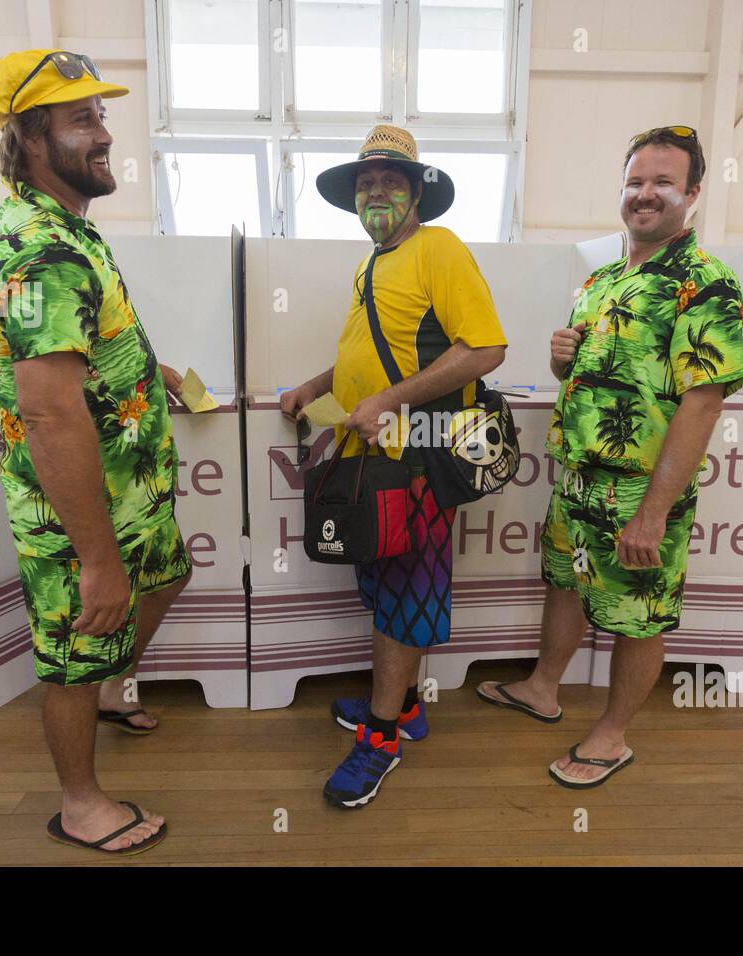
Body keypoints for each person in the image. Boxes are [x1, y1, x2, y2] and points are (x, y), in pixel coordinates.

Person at [477, 126, 743, 788]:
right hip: (578, 480)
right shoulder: (600, 280)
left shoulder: (705, 283)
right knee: (565, 585)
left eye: (662, 182)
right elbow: (587, 374)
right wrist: (557, 358)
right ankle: (544, 688)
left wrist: (654, 511)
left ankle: (612, 734)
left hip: (639, 489)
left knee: (639, 615)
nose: (645, 194)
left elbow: (703, 402)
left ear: (693, 193)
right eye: (634, 182)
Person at [0, 49, 193, 853]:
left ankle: (105, 686)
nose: (104, 134)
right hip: (81, 512)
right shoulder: (44, 249)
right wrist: (97, 559)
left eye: (101, 115)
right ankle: (79, 803)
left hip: (132, 494)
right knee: (75, 644)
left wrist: (144, 368)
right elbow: (48, 412)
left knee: (167, 577)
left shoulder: (66, 227)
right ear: (32, 137)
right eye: (81, 119)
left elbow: (76, 350)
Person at [281, 125, 507, 808]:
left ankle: (381, 739)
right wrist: (319, 387)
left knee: (406, 593)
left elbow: (485, 348)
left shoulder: (439, 248)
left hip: (420, 456)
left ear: (416, 192)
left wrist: (390, 399)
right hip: (377, 455)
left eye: (391, 180)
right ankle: (405, 705)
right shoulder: (373, 261)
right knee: (385, 582)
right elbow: (368, 352)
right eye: (366, 183)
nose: (376, 191)